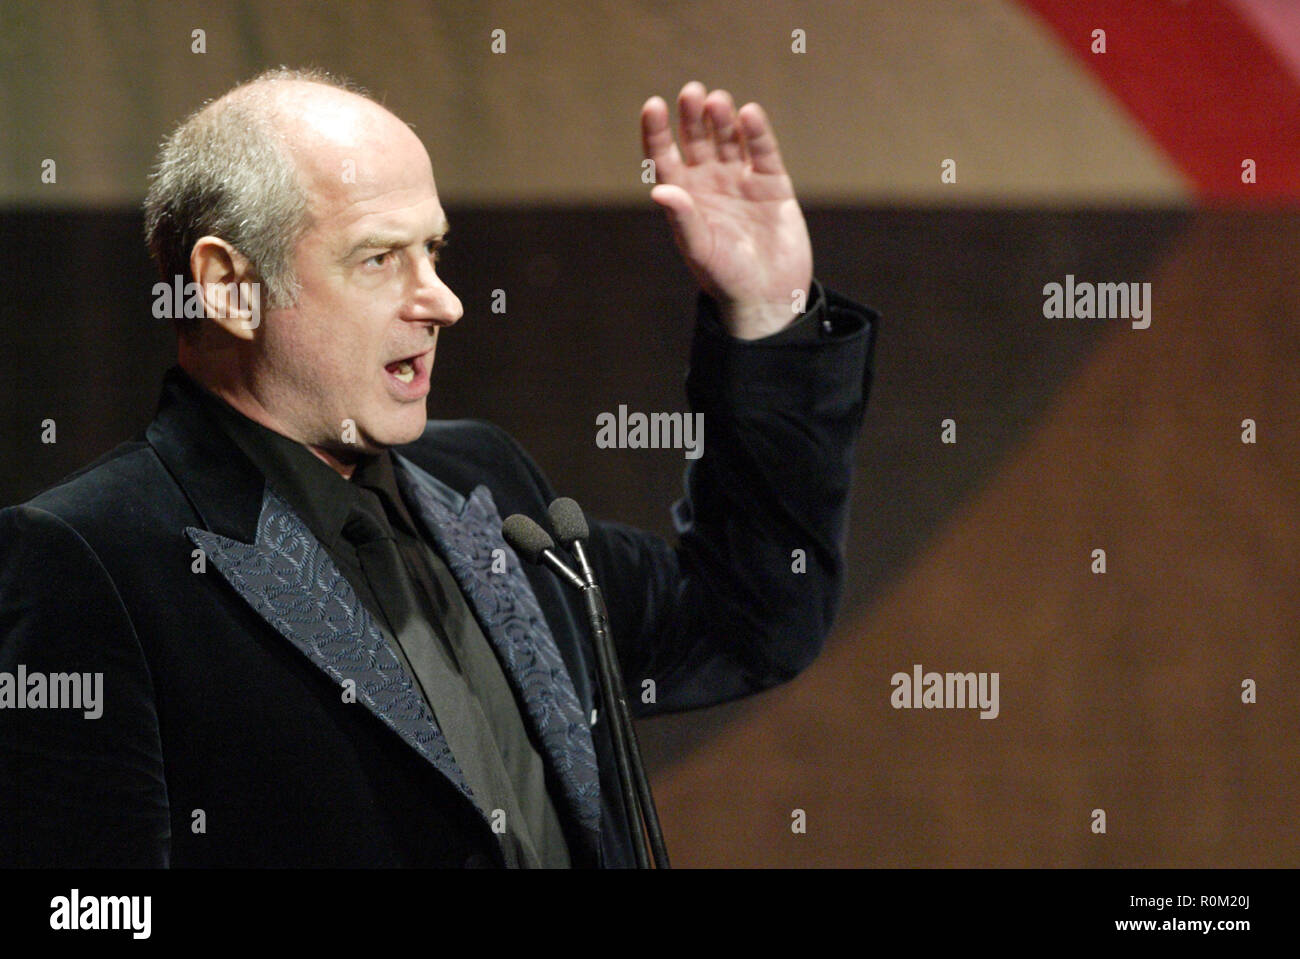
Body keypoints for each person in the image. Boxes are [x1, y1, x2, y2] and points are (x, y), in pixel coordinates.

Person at [0, 68, 877, 868]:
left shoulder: (484, 484)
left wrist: (766, 314)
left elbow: (749, 619)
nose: (444, 302)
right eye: (381, 259)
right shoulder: (93, 557)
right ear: (230, 287)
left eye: (436, 251)